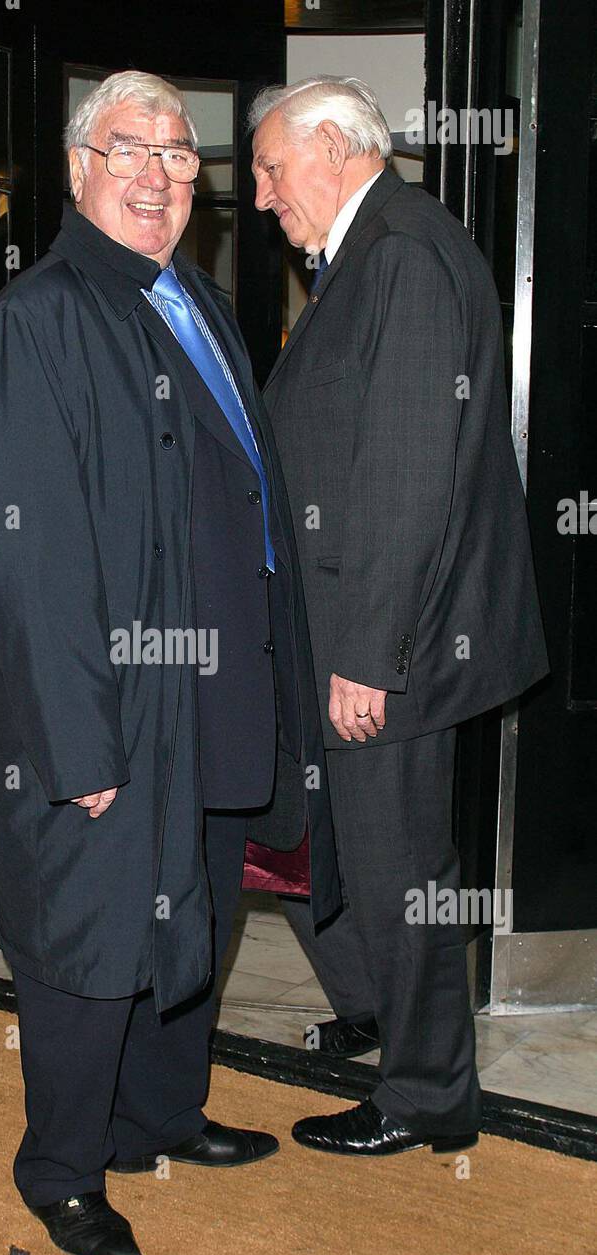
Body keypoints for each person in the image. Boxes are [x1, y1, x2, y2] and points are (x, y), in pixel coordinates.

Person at [0, 70, 339, 1255]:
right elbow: (29, 570)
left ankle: (158, 1118)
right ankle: (62, 1169)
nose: (157, 175)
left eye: (177, 157)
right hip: (114, 716)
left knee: (196, 918)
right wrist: (77, 748)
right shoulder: (39, 322)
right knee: (88, 946)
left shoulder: (200, 305)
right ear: (80, 168)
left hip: (218, 694)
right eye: (129, 149)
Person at [249, 75, 548, 1156]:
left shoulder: (403, 255)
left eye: (274, 169)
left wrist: (367, 657)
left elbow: (405, 479)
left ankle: (426, 1095)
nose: (265, 195)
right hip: (354, 627)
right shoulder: (372, 250)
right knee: (305, 832)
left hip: (393, 641)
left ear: (331, 147)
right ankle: (376, 1004)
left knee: (400, 865)